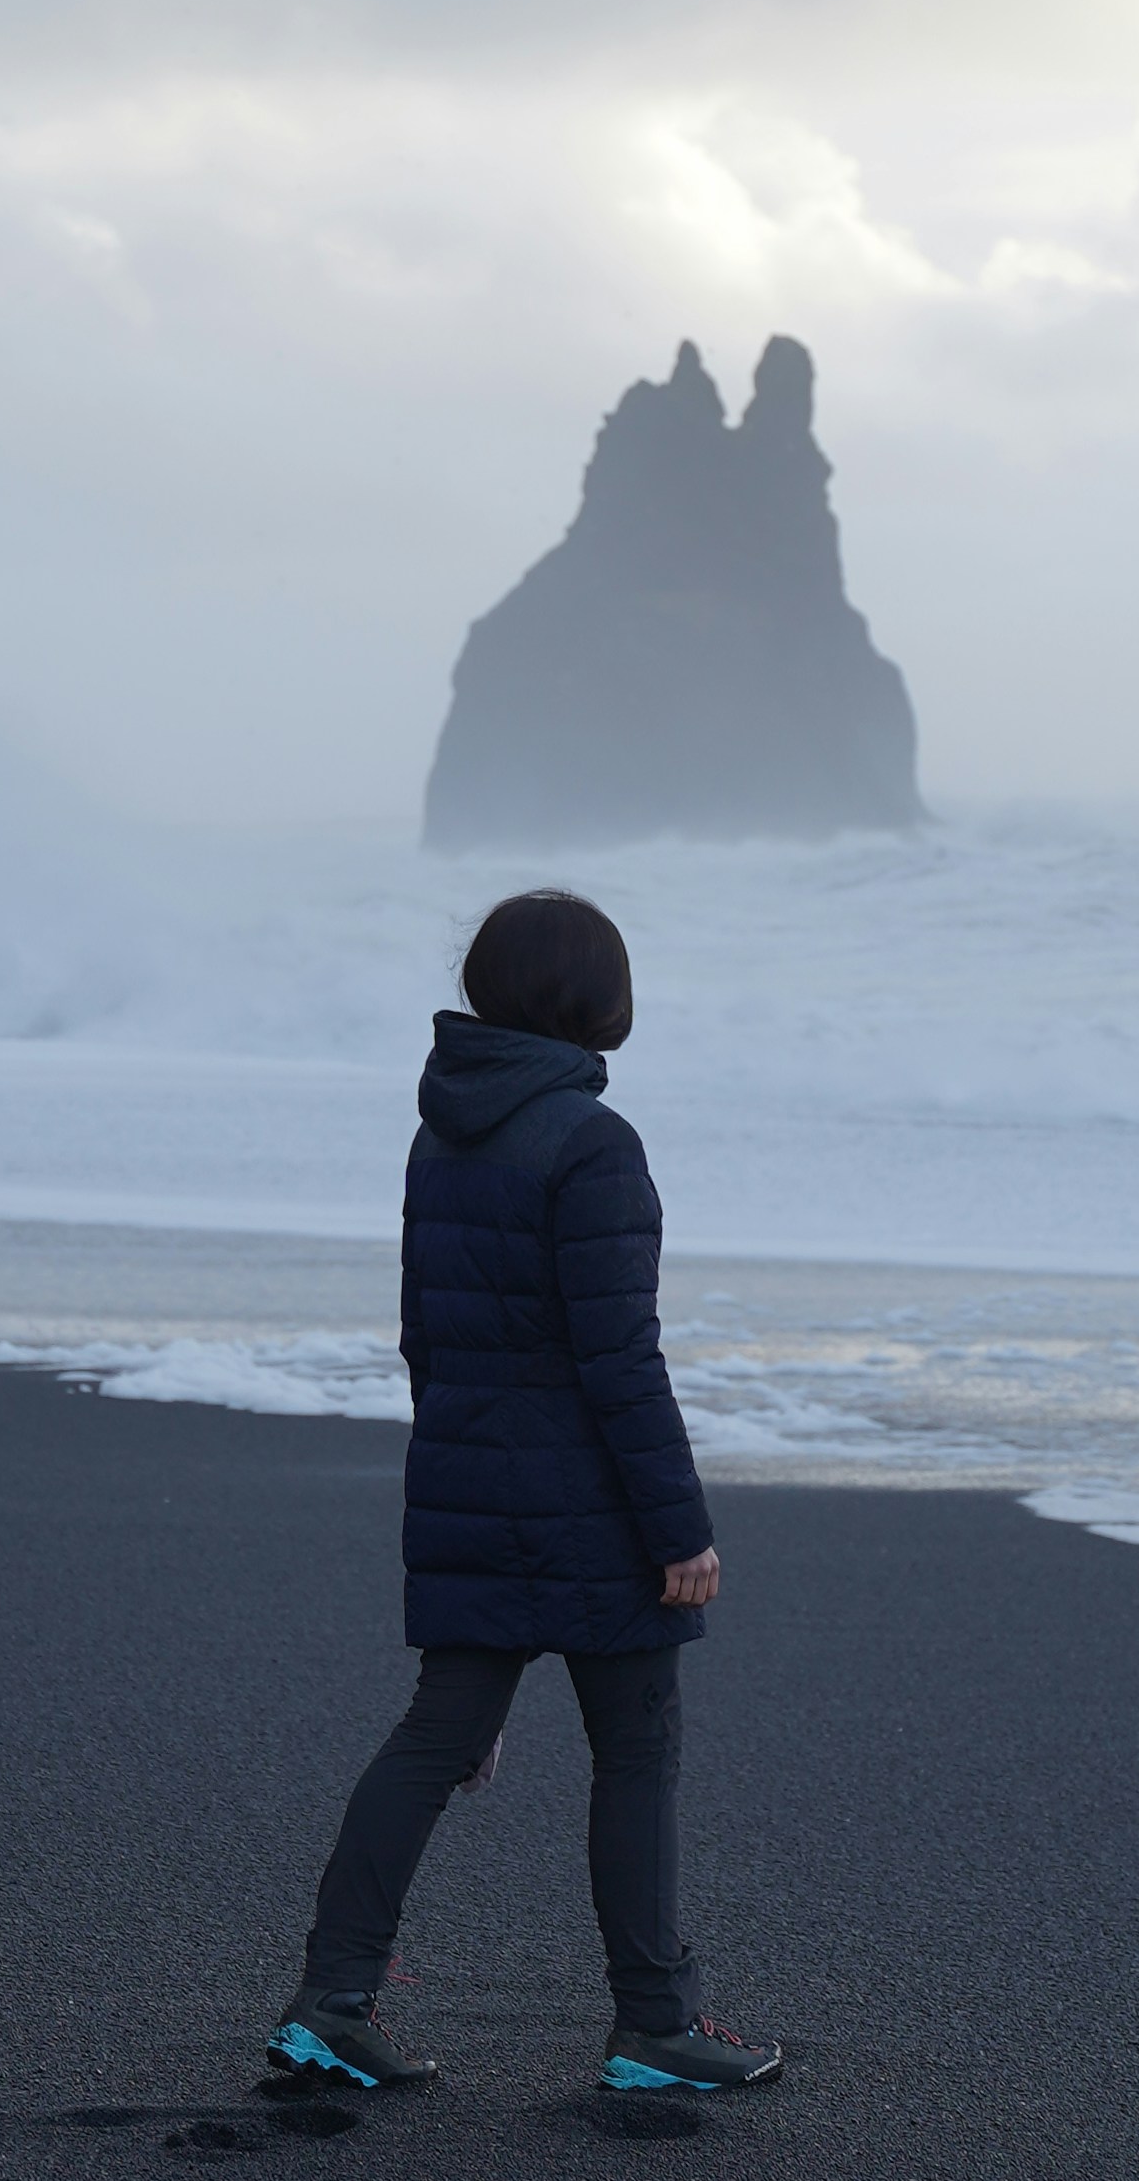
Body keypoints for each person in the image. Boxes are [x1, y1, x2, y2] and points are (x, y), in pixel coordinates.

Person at [266, 882, 783, 2099]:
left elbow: (423, 1342)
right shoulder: (593, 1143)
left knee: (436, 1737)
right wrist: (680, 1526)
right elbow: (618, 1357)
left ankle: (330, 2003)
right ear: (599, 1003)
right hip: (593, 1504)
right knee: (636, 1750)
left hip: (467, 1477)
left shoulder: (439, 1131)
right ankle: (656, 2025)